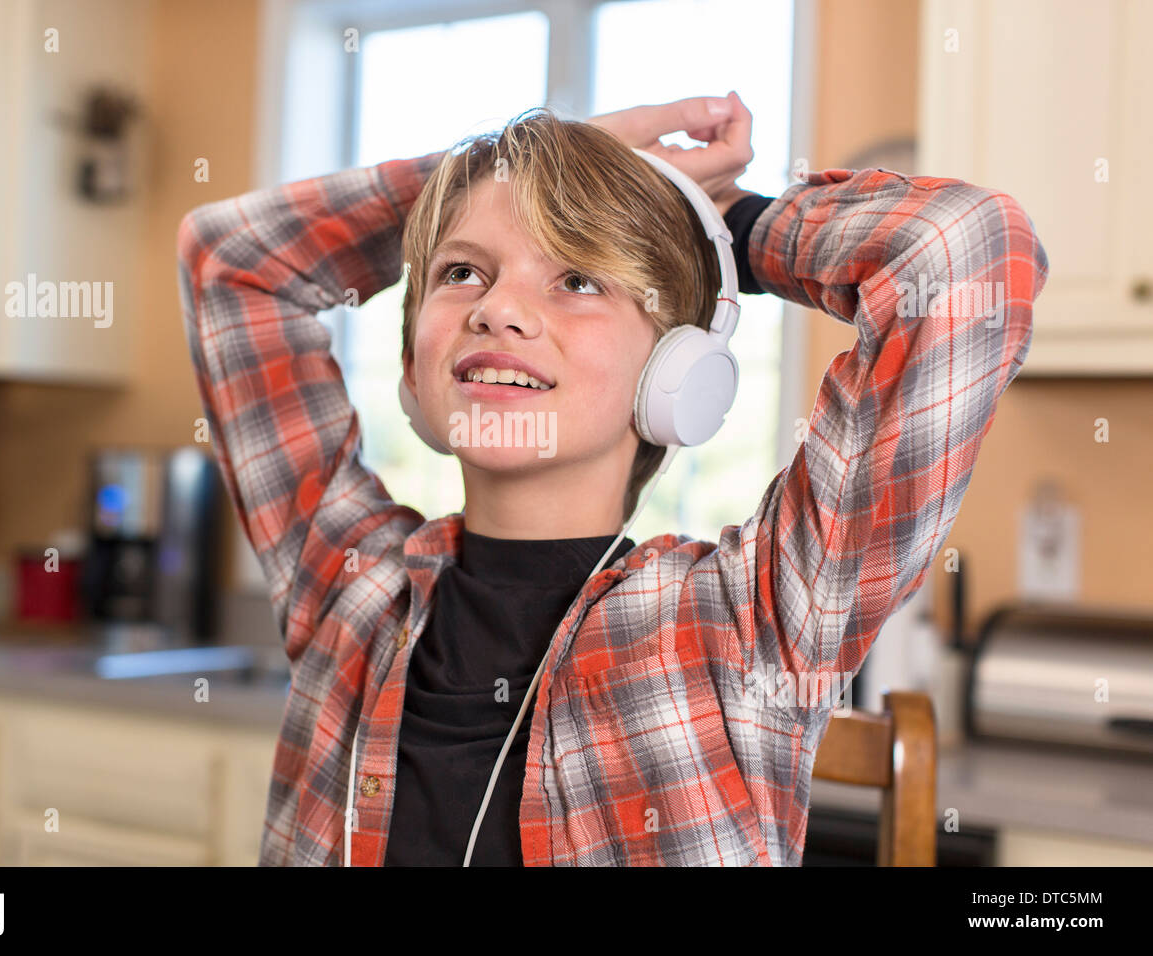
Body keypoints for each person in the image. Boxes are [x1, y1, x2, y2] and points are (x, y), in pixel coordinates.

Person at [176, 94, 1048, 866]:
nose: (497, 307)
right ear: (412, 366)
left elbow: (963, 253)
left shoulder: (753, 622)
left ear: (679, 372)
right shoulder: (349, 587)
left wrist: (725, 222)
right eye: (461, 271)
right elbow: (230, 263)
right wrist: (525, 173)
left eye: (579, 277)